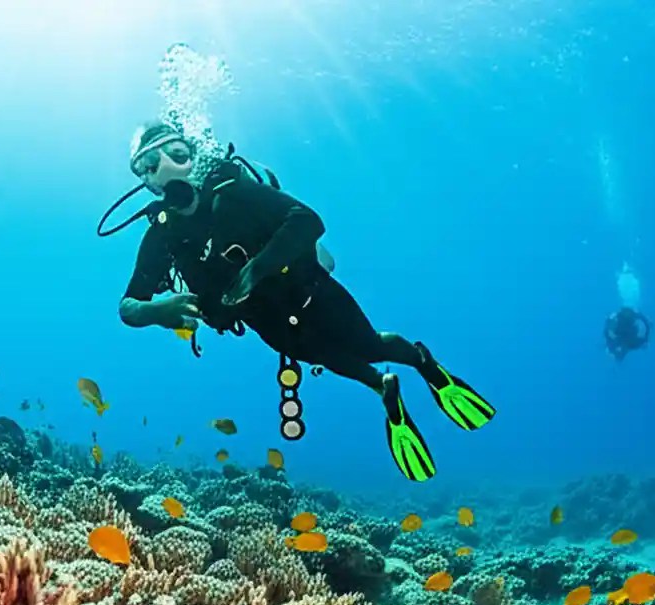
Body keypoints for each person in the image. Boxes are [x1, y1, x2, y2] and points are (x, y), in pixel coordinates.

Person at [105, 121, 495, 481]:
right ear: (145, 180)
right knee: (324, 356)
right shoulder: (162, 236)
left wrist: (256, 269)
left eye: (176, 153)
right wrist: (155, 311)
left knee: (369, 345)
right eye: (151, 163)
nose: (167, 168)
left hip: (312, 293)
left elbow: (309, 221)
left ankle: (425, 365)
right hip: (269, 325)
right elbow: (128, 305)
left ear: (194, 154)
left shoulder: (234, 194)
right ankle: (383, 387)